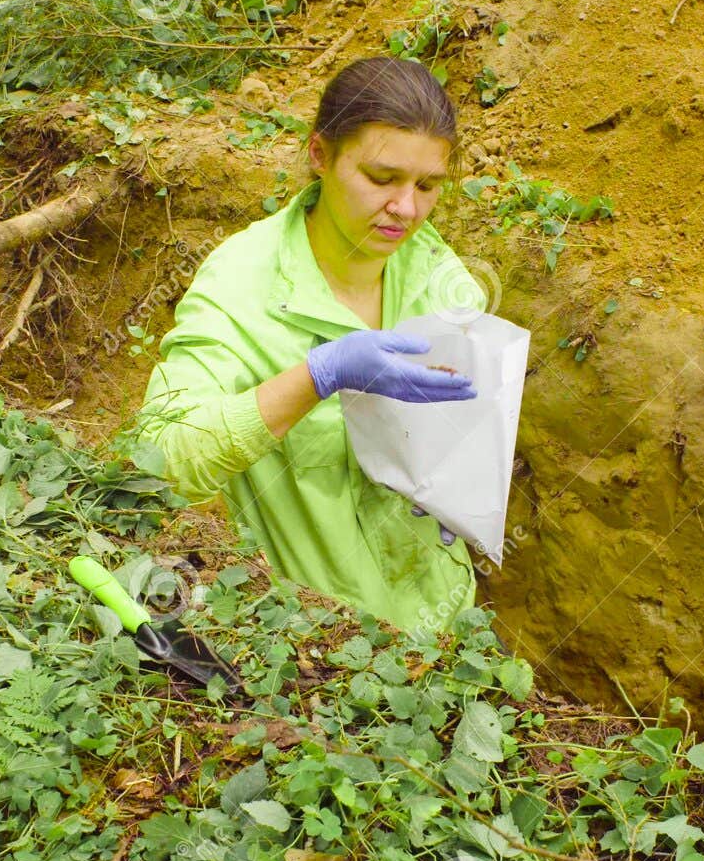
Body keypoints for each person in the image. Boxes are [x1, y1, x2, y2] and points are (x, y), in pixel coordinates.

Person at [136, 56, 489, 631]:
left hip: (446, 617)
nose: (407, 209)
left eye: (427, 186)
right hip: (327, 646)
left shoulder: (437, 274)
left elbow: (471, 423)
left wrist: (466, 484)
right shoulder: (241, 282)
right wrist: (317, 377)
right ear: (319, 155)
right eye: (382, 179)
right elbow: (161, 459)